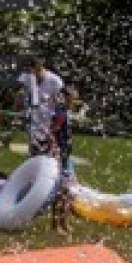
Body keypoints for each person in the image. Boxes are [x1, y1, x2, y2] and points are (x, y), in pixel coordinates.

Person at [49, 86, 81, 234]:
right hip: (61, 156)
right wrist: (55, 151)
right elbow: (52, 132)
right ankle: (57, 224)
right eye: (74, 97)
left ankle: (62, 222)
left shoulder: (64, 112)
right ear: (66, 97)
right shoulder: (61, 113)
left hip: (66, 156)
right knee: (63, 192)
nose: (76, 100)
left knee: (68, 192)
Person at [17, 56, 65, 157]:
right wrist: (20, 97)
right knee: (34, 153)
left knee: (52, 154)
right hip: (34, 123)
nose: (32, 75)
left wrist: (55, 126)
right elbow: (20, 96)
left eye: (34, 72)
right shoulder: (27, 78)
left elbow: (61, 106)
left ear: (40, 67)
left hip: (51, 123)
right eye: (30, 73)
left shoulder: (55, 81)